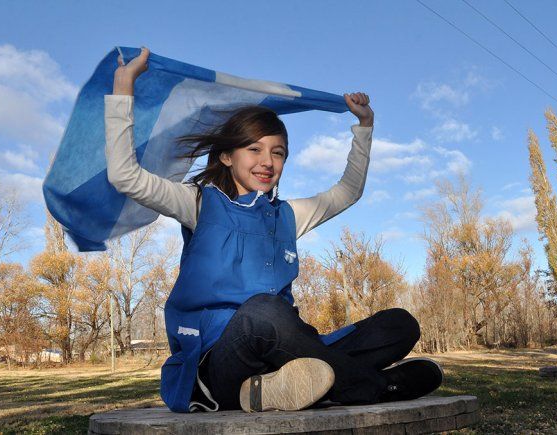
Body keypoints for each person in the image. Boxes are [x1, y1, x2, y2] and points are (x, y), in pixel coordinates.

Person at [106, 47, 443, 413]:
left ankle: (290, 387)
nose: (267, 162)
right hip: (222, 362)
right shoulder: (198, 203)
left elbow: (347, 192)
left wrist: (364, 127)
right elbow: (125, 175)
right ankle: (378, 386)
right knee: (262, 312)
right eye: (254, 149)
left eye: (278, 152)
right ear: (226, 156)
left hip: (287, 352)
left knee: (399, 325)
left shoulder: (287, 215)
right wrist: (124, 86)